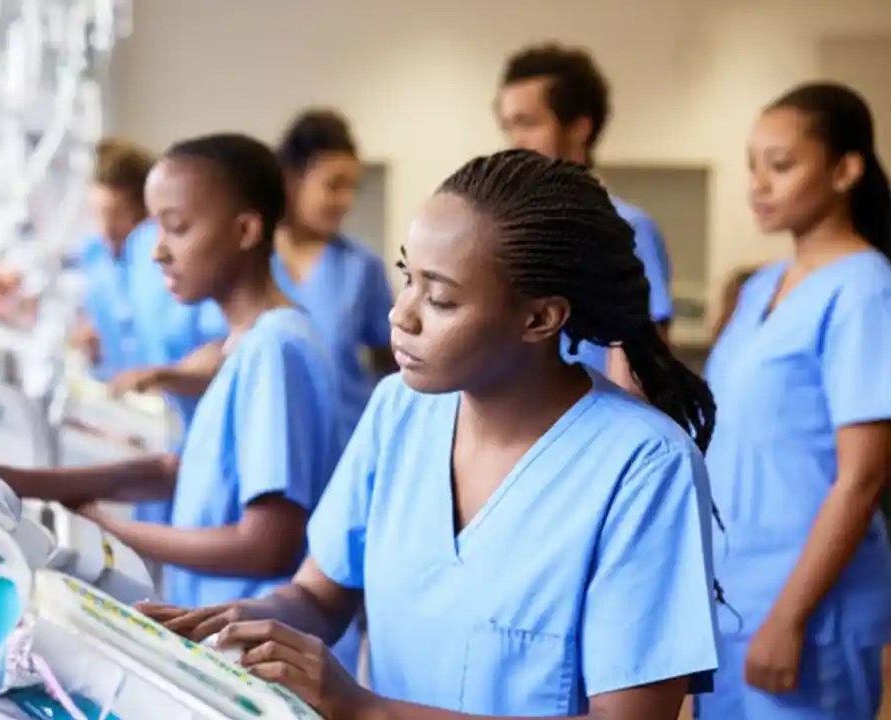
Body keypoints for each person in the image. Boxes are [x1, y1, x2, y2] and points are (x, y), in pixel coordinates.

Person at [140, 149, 721, 719]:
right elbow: (320, 595)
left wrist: (365, 709)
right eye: (407, 278)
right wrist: (237, 624)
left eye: (440, 298)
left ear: (540, 318)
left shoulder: (643, 465)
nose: (402, 314)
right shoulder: (399, 411)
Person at [0, 133, 343, 613]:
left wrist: (110, 530)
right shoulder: (248, 342)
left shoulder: (274, 350)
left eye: (176, 228)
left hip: (252, 635)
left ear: (244, 232)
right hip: (221, 624)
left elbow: (266, 546)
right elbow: (178, 472)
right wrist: (12, 479)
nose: (157, 252)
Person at [699, 82, 891, 720]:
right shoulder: (759, 289)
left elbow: (862, 479)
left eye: (781, 165)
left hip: (810, 608)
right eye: (753, 165)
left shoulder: (865, 289)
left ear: (845, 170)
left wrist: (788, 617)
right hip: (730, 599)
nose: (759, 182)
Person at [0, 138, 226, 527]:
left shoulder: (165, 261)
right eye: (100, 214)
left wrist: (163, 376)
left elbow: (225, 345)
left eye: (121, 215)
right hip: (142, 433)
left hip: (197, 436)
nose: (111, 228)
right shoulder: (96, 256)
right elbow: (42, 289)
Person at [496, 43, 673, 389]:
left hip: (597, 427)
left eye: (528, 123)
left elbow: (643, 364)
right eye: (508, 126)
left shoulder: (626, 228)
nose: (514, 141)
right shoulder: (512, 229)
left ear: (579, 128)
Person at [274, 109, 397, 441]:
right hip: (275, 438)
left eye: (352, 188)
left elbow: (393, 362)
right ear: (291, 180)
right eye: (333, 186)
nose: (345, 200)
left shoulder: (361, 266)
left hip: (348, 439)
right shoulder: (253, 261)